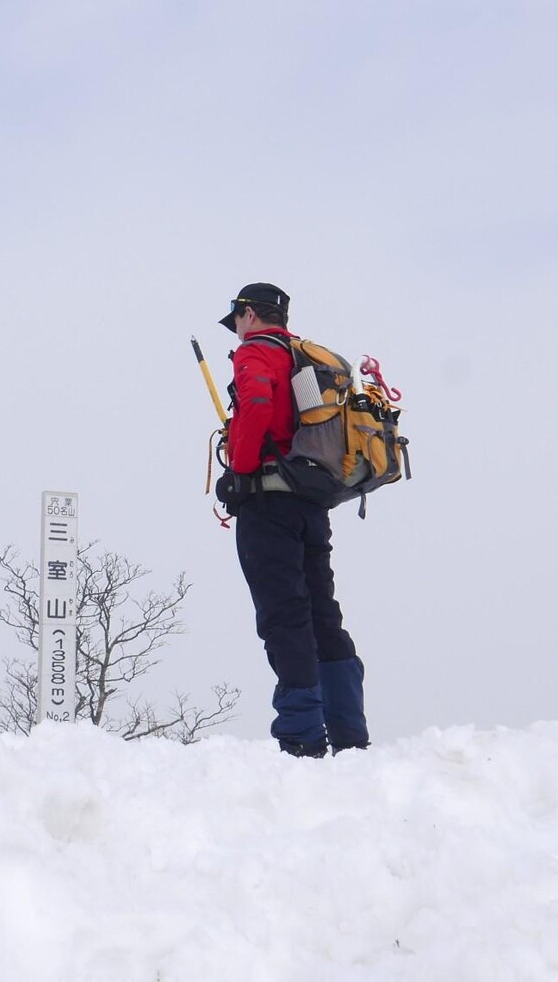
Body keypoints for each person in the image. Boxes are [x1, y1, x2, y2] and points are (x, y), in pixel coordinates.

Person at [214, 283, 369, 758]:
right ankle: (348, 732)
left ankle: (301, 736)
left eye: (237, 317)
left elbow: (258, 403)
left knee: (284, 615)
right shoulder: (303, 358)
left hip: (269, 501)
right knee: (323, 610)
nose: (237, 328)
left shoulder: (256, 353)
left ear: (248, 314)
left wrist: (238, 472)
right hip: (310, 500)